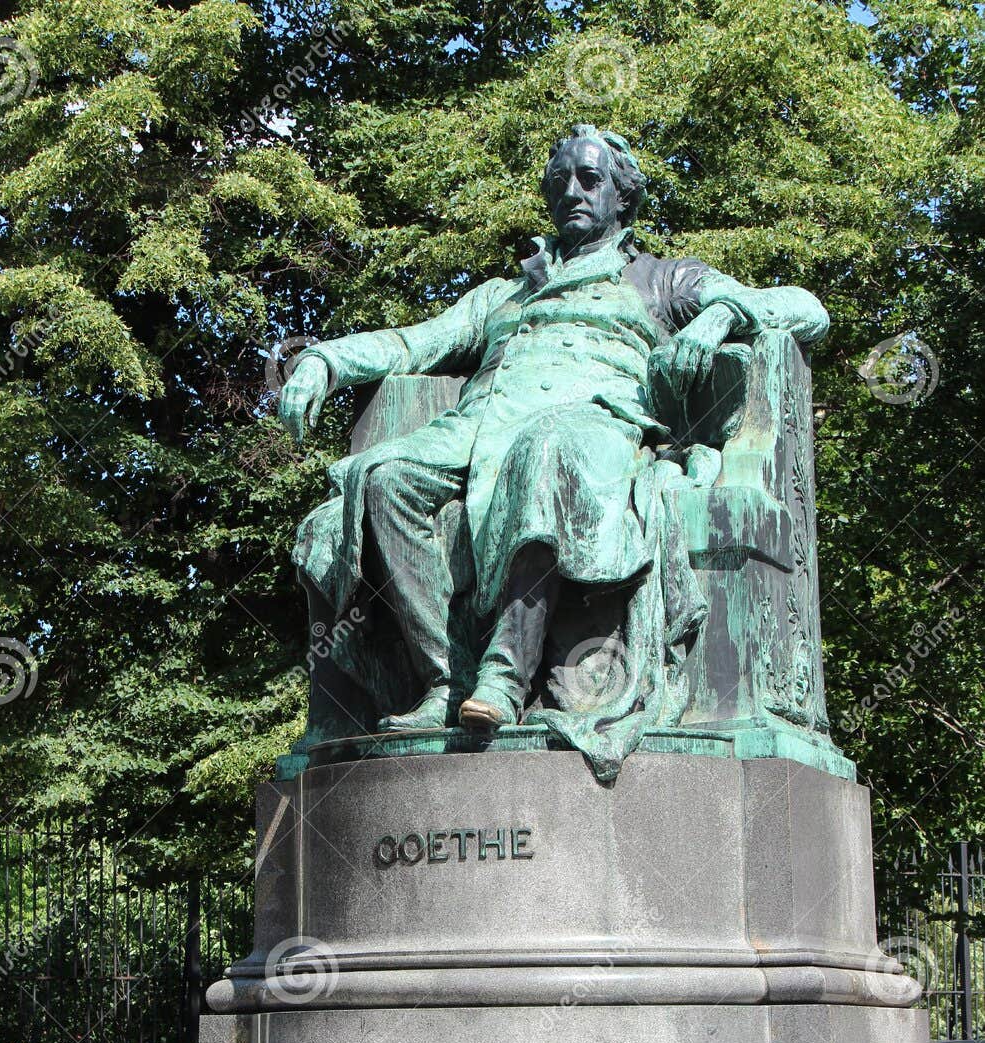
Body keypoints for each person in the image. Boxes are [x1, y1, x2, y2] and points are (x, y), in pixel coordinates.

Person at [281, 125, 828, 769]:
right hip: (475, 433)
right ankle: (443, 679)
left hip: (588, 433)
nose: (573, 191)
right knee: (382, 479)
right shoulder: (505, 292)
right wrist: (322, 361)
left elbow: (804, 309)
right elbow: (411, 342)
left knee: (542, 451)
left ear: (622, 198)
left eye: (591, 180)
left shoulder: (660, 279)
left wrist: (716, 317)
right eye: (561, 179)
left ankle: (505, 678)